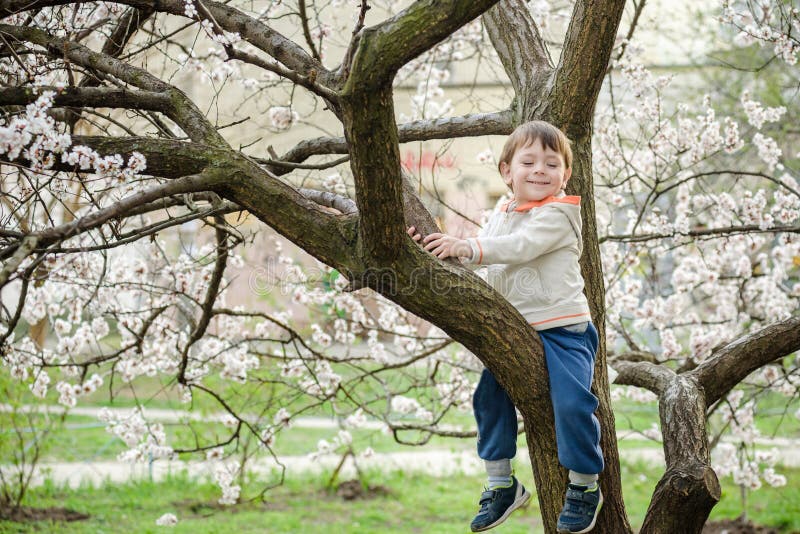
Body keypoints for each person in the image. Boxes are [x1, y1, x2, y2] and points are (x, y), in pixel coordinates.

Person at [408, 120, 604, 534]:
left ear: (564, 175)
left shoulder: (560, 214)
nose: (539, 170)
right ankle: (501, 483)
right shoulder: (501, 214)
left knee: (571, 405)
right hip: (514, 329)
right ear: (506, 171)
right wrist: (424, 248)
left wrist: (468, 246)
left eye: (552, 164)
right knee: (488, 399)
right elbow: (491, 263)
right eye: (528, 161)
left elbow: (520, 248)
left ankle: (585, 485)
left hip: (562, 332)